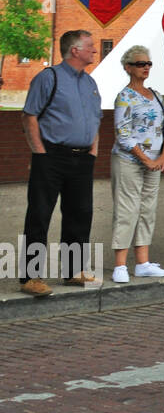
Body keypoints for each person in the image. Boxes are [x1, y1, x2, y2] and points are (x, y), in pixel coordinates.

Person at [19, 30, 102, 295]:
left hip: (82, 158)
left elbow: (95, 119)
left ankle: (73, 272)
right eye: (90, 46)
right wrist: (40, 153)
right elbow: (29, 116)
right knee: (39, 215)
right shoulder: (48, 78)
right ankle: (30, 278)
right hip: (51, 157)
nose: (95, 50)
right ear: (75, 50)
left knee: (80, 214)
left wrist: (93, 152)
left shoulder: (90, 83)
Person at [110, 46, 164, 283]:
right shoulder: (124, 97)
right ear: (128, 68)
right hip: (129, 160)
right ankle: (120, 265)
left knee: (148, 209)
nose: (145, 67)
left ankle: (143, 262)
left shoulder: (155, 94)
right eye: (140, 64)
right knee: (127, 210)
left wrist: (163, 156)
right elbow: (123, 133)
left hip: (155, 162)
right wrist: (146, 159)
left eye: (148, 64)